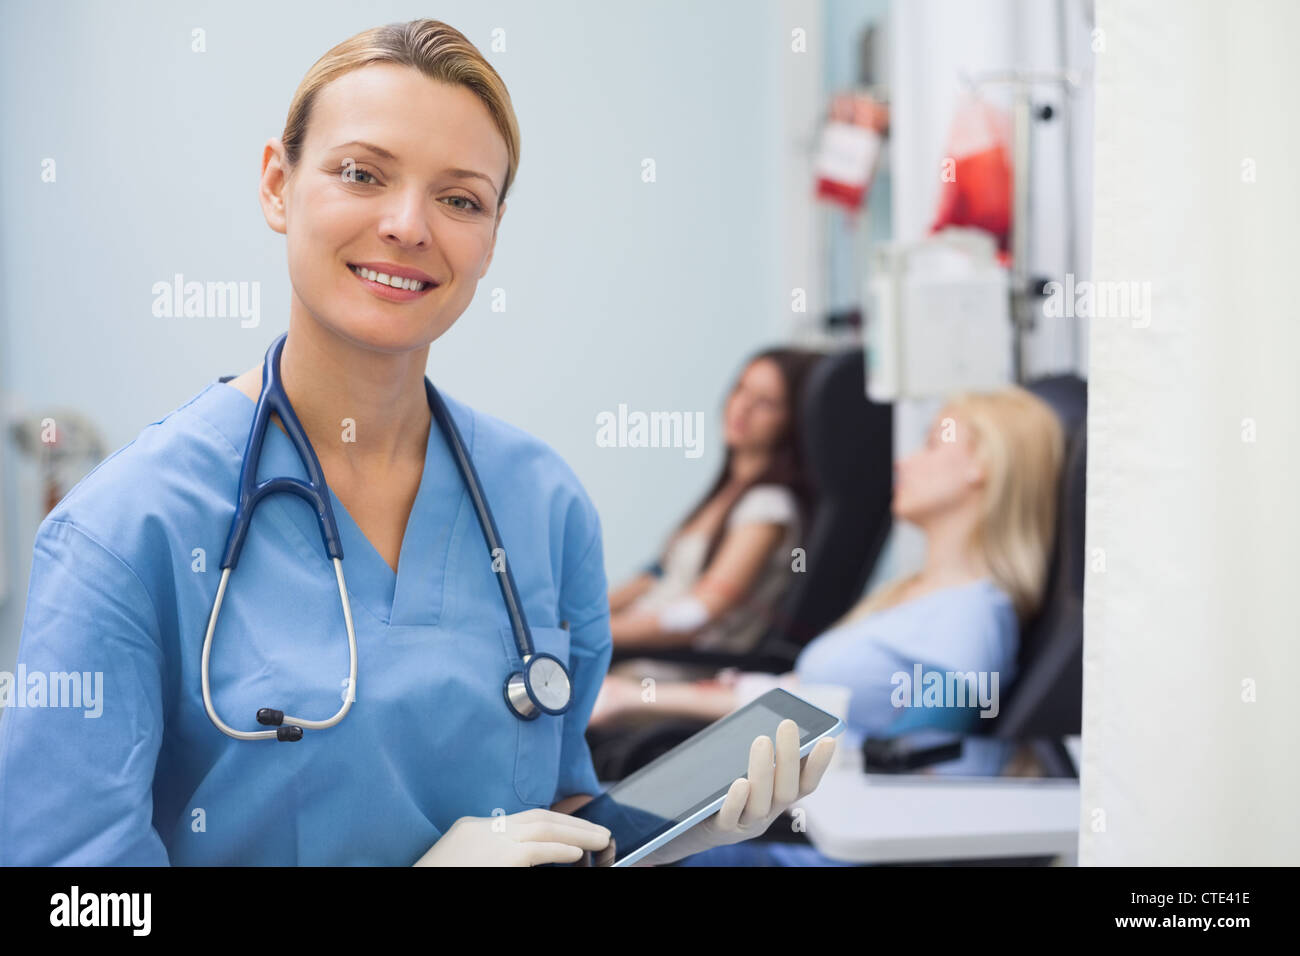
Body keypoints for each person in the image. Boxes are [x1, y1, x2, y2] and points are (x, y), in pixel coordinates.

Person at [0, 18, 834, 866]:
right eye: (362, 174)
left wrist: (674, 832)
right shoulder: (125, 528)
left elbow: (554, 806)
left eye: (461, 198)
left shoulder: (542, 505)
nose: (408, 225)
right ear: (277, 185)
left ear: (493, 234)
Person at [590, 385, 1065, 864]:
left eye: (933, 445)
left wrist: (638, 699)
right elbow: (809, 701)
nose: (904, 463)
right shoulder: (910, 595)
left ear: (982, 466)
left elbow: (920, 775)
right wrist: (635, 699)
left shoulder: (969, 619)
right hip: (803, 821)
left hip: (817, 847)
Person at [607, 348, 821, 683]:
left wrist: (591, 633)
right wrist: (573, 617)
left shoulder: (767, 508)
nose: (742, 407)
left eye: (765, 402)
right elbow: (655, 576)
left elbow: (696, 616)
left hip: (665, 671)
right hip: (632, 653)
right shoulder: (726, 493)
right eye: (740, 389)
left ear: (791, 420)